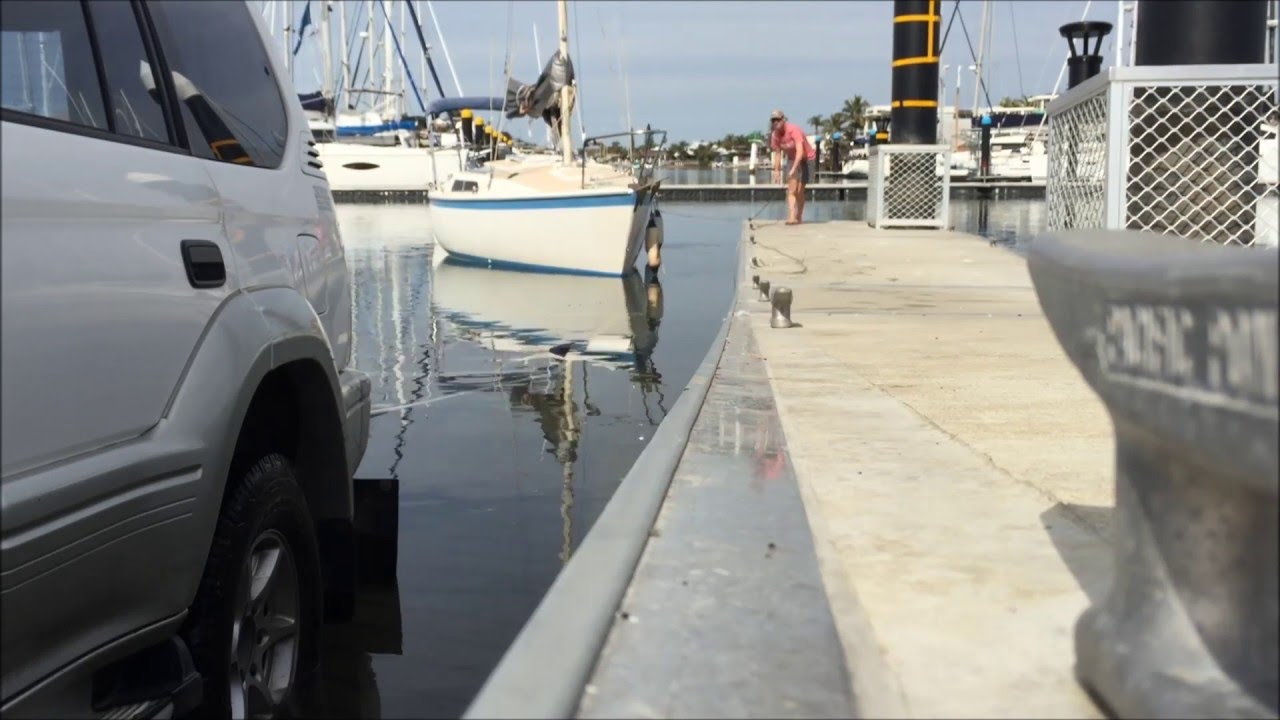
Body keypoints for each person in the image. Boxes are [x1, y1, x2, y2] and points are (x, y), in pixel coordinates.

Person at [769, 109, 816, 225]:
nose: (775, 123)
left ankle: (798, 215)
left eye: (778, 120)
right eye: (773, 120)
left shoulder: (794, 130)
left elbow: (800, 151)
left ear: (783, 120)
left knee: (799, 191)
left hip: (807, 158)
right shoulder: (775, 135)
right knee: (791, 190)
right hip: (791, 159)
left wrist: (794, 169)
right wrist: (776, 170)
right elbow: (778, 153)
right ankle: (791, 217)